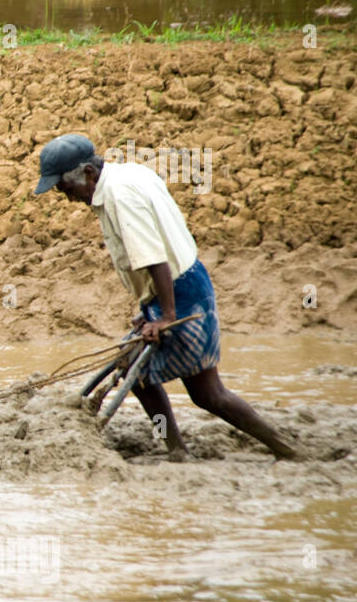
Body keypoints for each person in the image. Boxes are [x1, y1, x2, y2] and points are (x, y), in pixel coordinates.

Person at [34, 133, 301, 461]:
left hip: (181, 292)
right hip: (178, 285)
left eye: (66, 189)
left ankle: (281, 448)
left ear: (88, 173)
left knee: (208, 395)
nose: (68, 198)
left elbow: (153, 256)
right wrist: (150, 306)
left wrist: (167, 315)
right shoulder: (127, 173)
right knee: (142, 373)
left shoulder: (119, 196)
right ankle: (177, 448)